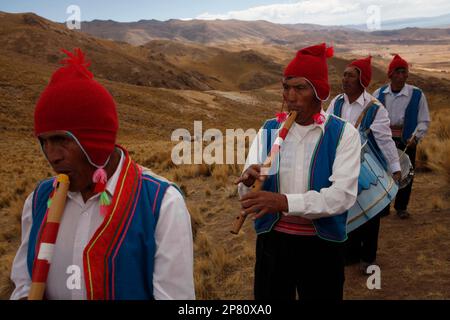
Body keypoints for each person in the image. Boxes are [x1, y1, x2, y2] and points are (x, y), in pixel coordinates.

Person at [10, 48, 195, 300]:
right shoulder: (38, 200)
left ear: (96, 141)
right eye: (44, 141)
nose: (52, 156)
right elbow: (23, 282)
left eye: (62, 139)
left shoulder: (161, 204)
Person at [236, 43, 361, 300]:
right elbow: (245, 193)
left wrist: (282, 201)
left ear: (319, 92)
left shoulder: (343, 134)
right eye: (286, 87)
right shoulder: (269, 129)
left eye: (300, 88)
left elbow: (342, 196)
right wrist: (248, 182)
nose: (290, 96)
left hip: (322, 247)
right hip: (273, 242)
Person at [327, 56, 401, 273]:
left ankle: (368, 257)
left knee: (370, 211)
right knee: (347, 208)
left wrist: (395, 167)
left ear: (362, 80)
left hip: (368, 166)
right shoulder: (336, 102)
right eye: (345, 74)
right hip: (341, 167)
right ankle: (350, 253)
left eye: (351, 75)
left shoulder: (375, 108)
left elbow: (386, 141)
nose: (345, 78)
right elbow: (326, 128)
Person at [373, 54, 431, 219]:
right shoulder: (379, 94)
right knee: (383, 173)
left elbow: (424, 120)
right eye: (397, 72)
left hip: (407, 141)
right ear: (390, 74)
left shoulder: (417, 94)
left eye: (403, 72)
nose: (400, 76)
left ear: (407, 74)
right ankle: (382, 207)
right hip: (383, 141)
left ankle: (401, 207)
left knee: (406, 173)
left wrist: (416, 136)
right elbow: (372, 117)